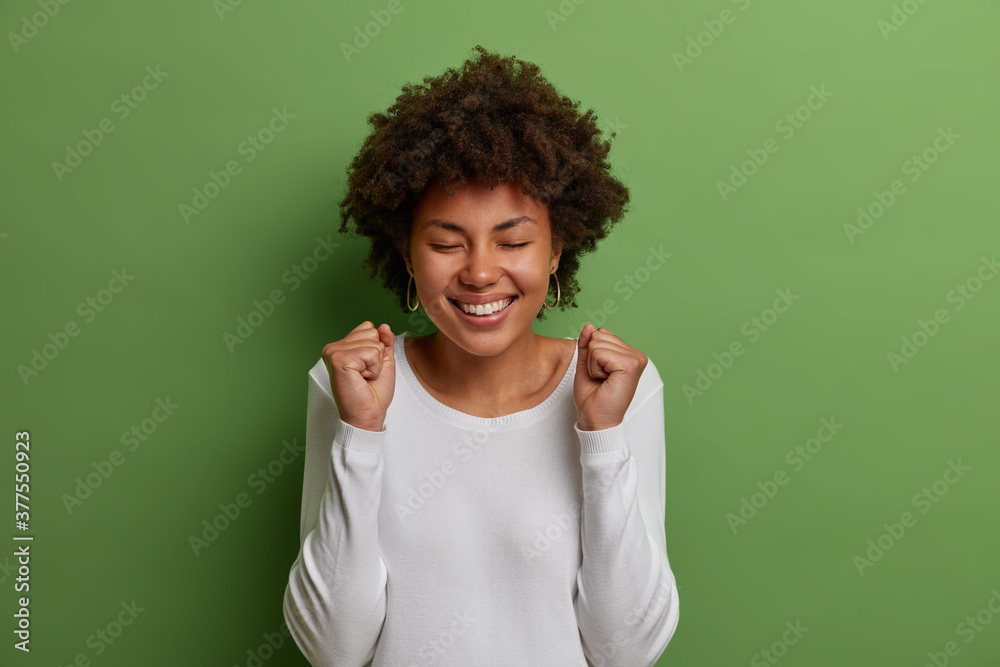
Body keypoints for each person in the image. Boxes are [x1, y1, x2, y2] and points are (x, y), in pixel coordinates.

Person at [282, 45, 679, 666]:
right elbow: (335, 649)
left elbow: (625, 651)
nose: (480, 272)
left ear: (555, 254)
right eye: (446, 243)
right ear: (408, 256)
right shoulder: (352, 385)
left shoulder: (618, 388)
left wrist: (601, 438)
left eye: (513, 240)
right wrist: (362, 433)